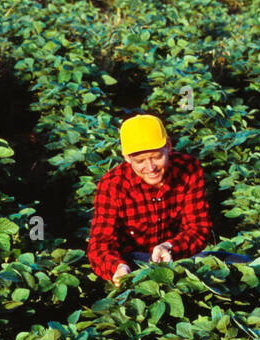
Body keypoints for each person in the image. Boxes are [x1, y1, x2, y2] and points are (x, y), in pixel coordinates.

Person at [87, 113, 248, 286]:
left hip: (176, 256)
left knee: (244, 264)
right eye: (140, 161)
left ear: (169, 146)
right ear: (127, 158)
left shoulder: (188, 169)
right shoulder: (112, 185)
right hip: (134, 263)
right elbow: (100, 244)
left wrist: (169, 247)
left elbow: (198, 228)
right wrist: (118, 268)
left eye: (157, 157)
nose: (151, 167)